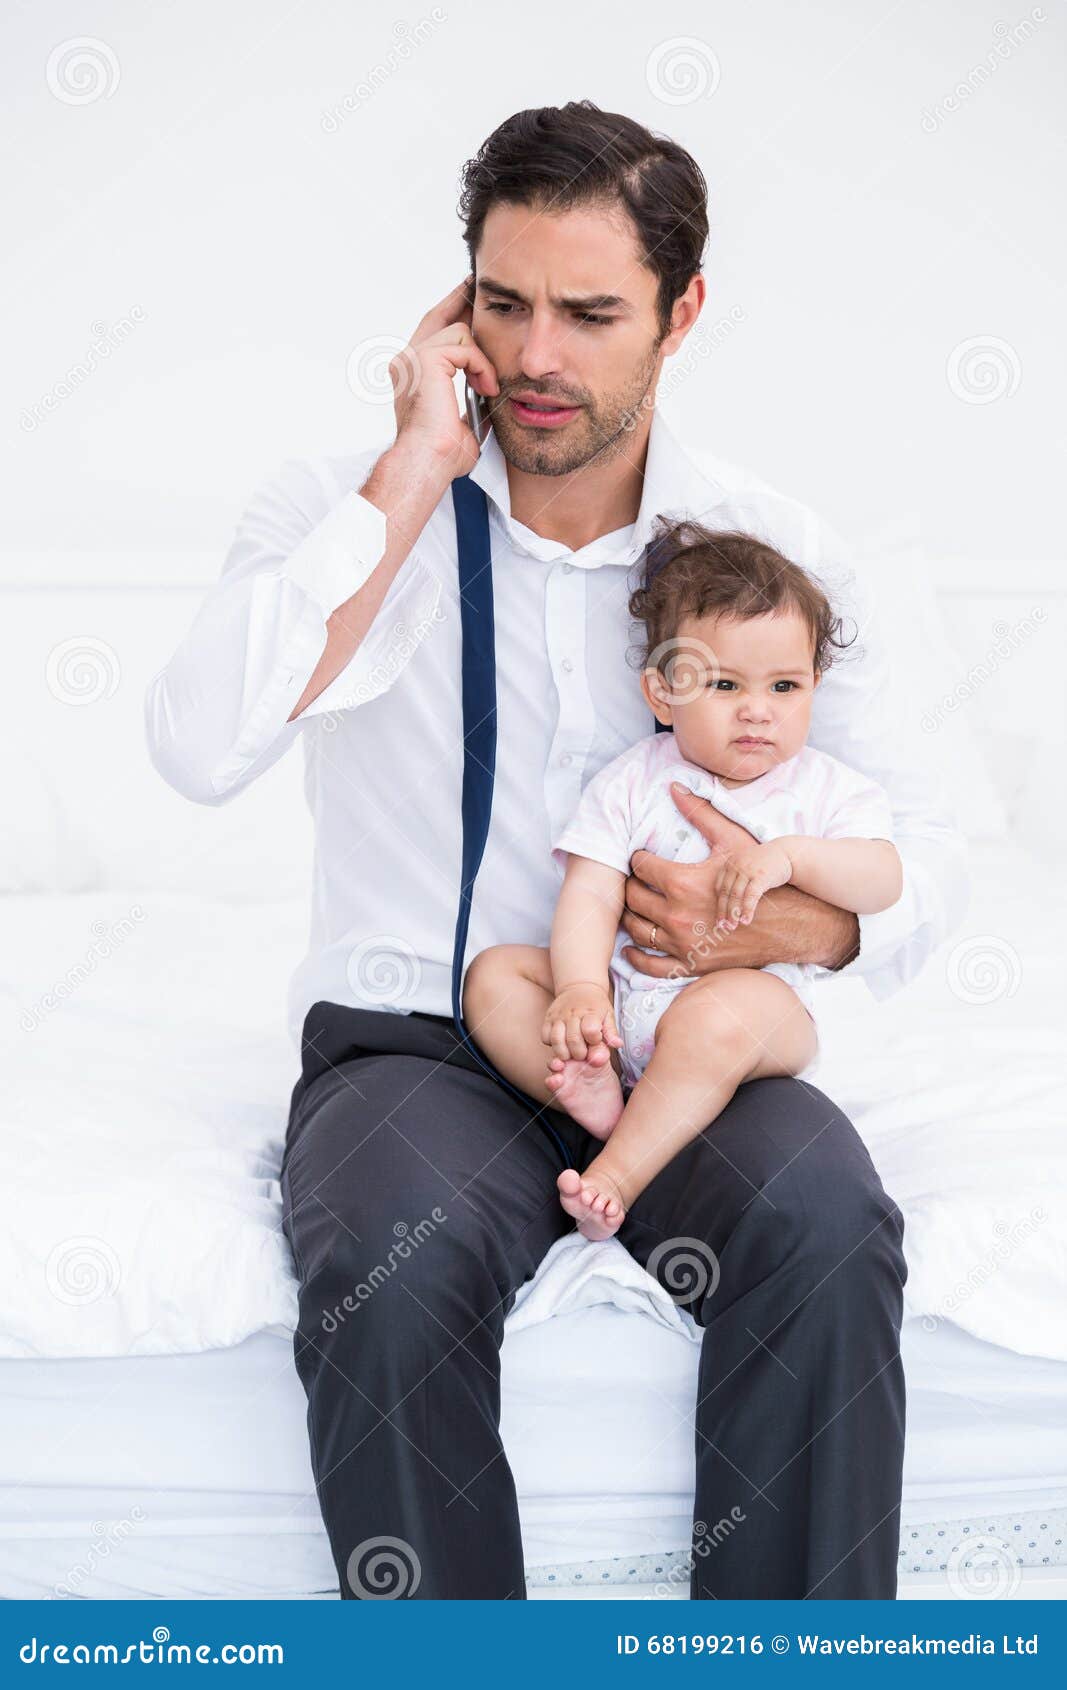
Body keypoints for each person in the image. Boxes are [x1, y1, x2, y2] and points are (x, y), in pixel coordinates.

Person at [145, 101, 967, 1600]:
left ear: (680, 313)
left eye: (589, 315)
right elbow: (199, 751)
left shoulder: (769, 554)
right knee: (386, 1268)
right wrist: (409, 472)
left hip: (673, 1046)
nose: (534, 355)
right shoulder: (342, 512)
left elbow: (930, 857)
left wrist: (774, 925)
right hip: (419, 1046)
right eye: (502, 303)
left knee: (826, 1223)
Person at [463, 523, 903, 1240]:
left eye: (784, 686)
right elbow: (590, 891)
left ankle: (616, 1172)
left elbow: (882, 881)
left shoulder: (826, 791)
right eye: (725, 685)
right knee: (493, 977)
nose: (758, 708)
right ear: (663, 694)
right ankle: (601, 1094)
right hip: (624, 1004)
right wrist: (581, 989)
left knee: (721, 1011)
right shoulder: (634, 778)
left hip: (754, 1017)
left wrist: (792, 858)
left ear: (813, 690)